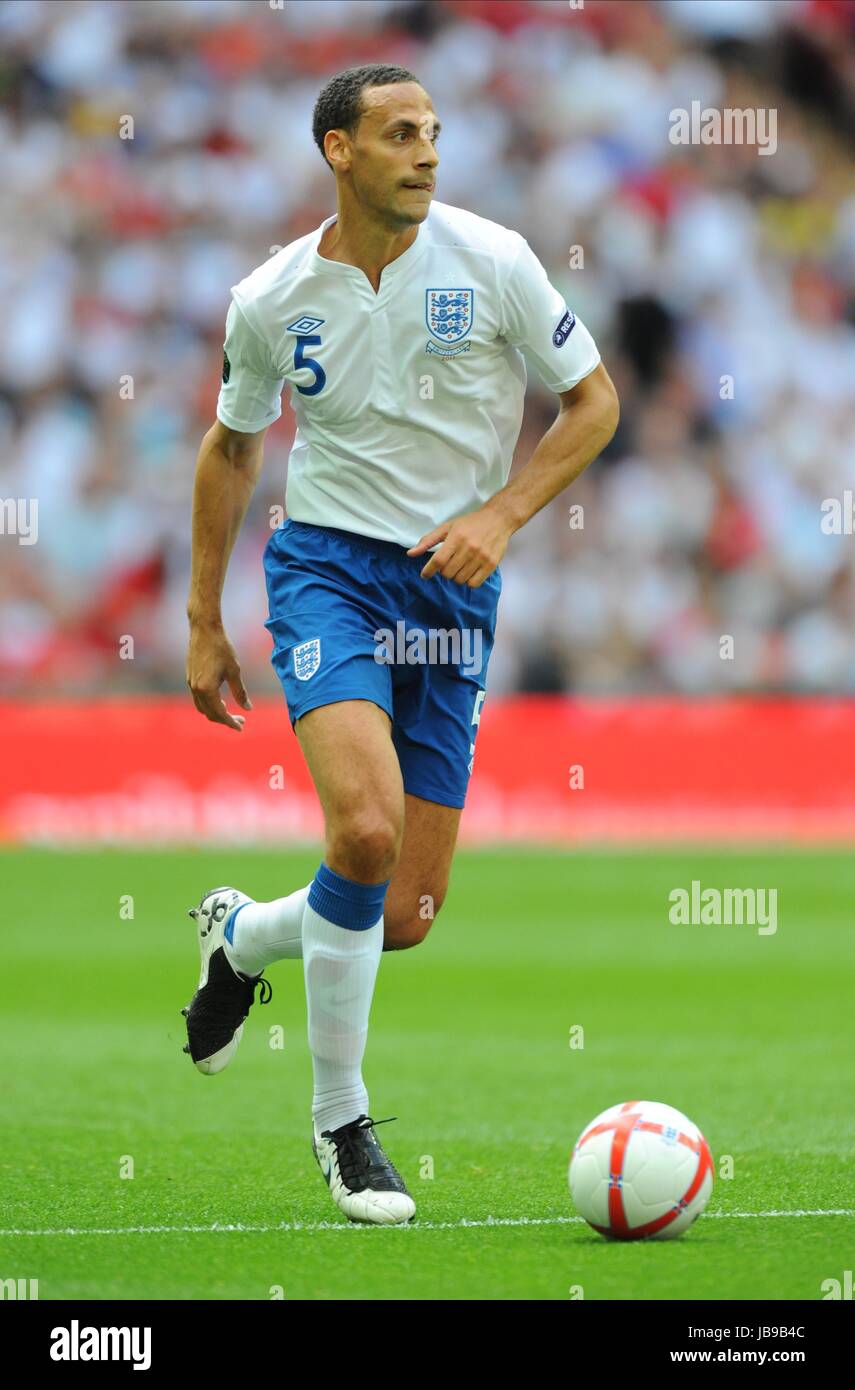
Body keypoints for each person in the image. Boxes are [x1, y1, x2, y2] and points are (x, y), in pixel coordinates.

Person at [182, 63, 619, 1226]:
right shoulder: (271, 296)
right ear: (338, 150)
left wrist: (501, 515)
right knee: (363, 831)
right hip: (329, 567)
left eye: (433, 131)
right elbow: (230, 450)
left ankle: (241, 937)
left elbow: (595, 403)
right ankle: (342, 1123)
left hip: (451, 592)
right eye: (397, 133)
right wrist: (200, 619)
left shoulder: (495, 260)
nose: (426, 151)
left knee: (405, 911)